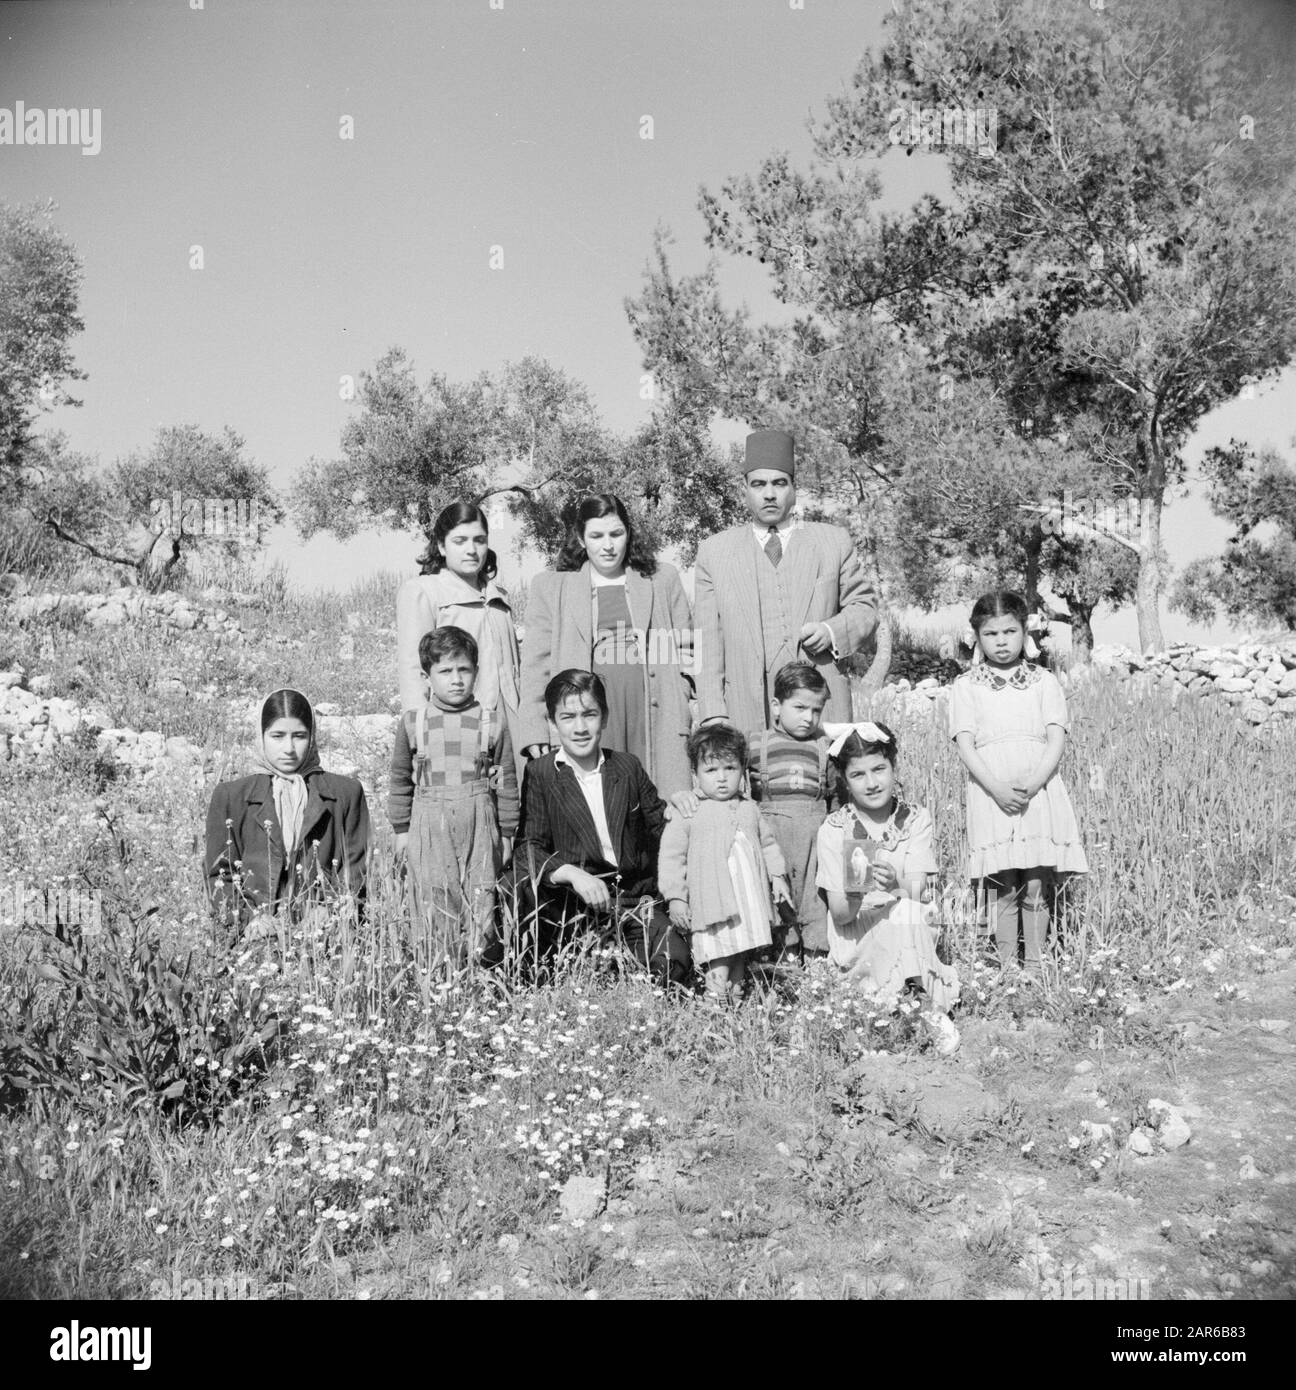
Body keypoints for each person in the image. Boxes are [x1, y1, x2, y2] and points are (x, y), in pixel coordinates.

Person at [505, 669, 690, 984]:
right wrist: (574, 875)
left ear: (604, 718)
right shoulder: (542, 774)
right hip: (578, 905)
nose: (580, 727)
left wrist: (683, 808)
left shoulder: (626, 767)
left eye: (589, 715)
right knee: (581, 978)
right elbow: (528, 847)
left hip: (634, 901)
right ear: (552, 723)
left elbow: (660, 825)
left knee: (674, 966)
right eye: (568, 717)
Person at [693, 428, 877, 736]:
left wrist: (831, 631)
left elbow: (865, 607)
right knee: (758, 782)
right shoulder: (714, 552)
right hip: (746, 709)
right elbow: (706, 642)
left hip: (821, 706)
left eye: (779, 483)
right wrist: (712, 714)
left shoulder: (832, 541)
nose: (769, 494)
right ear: (745, 489)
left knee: (823, 782)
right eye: (758, 484)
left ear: (794, 487)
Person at [949, 590, 1088, 970]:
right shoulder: (966, 686)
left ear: (1024, 631)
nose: (1001, 641)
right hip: (989, 793)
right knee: (1003, 885)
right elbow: (965, 743)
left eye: (1009, 632)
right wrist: (996, 788)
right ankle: (1009, 966)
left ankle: (1037, 964)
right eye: (991, 634)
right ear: (977, 637)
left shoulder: (1044, 681)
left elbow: (1056, 737)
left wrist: (1033, 783)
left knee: (1036, 882)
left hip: (1038, 791)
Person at [519, 493, 694, 797]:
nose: (608, 545)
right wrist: (534, 728)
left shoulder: (661, 579)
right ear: (581, 538)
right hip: (589, 718)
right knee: (598, 814)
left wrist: (682, 700)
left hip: (653, 716)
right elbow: (536, 665)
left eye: (616, 533)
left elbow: (687, 649)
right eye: (597, 536)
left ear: (629, 533)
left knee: (658, 816)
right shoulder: (552, 587)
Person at [815, 721, 960, 1054]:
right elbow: (840, 916)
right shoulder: (836, 829)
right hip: (859, 933)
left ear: (894, 766)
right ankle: (883, 1015)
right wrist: (855, 892)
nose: (871, 783)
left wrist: (896, 883)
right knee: (894, 917)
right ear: (844, 781)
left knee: (907, 909)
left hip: (908, 924)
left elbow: (919, 888)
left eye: (879, 769)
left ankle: (925, 1008)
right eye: (858, 775)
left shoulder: (915, 818)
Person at [388, 626, 519, 966]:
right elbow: (400, 780)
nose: (456, 679)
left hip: (479, 819)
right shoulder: (413, 723)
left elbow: (504, 781)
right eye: (445, 671)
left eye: (464, 670)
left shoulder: (492, 722)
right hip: (429, 821)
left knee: (481, 897)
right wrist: (401, 831)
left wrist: (506, 834)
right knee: (434, 898)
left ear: (476, 671)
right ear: (427, 675)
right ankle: (438, 974)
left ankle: (481, 973)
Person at [205, 688, 370, 941]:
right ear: (261, 737)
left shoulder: (345, 794)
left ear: (312, 737)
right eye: (277, 736)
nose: (289, 748)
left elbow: (355, 869)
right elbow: (220, 875)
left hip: (325, 938)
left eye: (300, 736)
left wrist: (331, 910)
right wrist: (249, 920)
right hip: (253, 942)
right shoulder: (231, 797)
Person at [658, 725, 792, 1001]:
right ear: (695, 774)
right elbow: (672, 858)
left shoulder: (749, 808)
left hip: (746, 903)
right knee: (719, 959)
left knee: (740, 954)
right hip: (714, 906)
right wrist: (676, 898)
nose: (721, 778)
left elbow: (768, 845)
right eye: (711, 770)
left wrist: (777, 877)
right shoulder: (689, 811)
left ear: (742, 770)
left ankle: (737, 1006)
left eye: (730, 768)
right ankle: (715, 1008)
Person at [395, 501, 524, 781]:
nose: (471, 549)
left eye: (479, 540)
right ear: (441, 546)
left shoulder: (497, 595)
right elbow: (413, 671)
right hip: (454, 730)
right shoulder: (424, 592)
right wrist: (422, 736)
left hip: (507, 729)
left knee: (506, 804)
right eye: (460, 541)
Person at [746, 661, 835, 963]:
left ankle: (816, 965)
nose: (808, 718)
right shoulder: (756, 744)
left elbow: (836, 798)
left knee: (815, 903)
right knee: (777, 902)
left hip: (815, 839)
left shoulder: (824, 747)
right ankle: (781, 966)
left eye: (816, 711)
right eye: (799, 708)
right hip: (773, 838)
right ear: (776, 705)